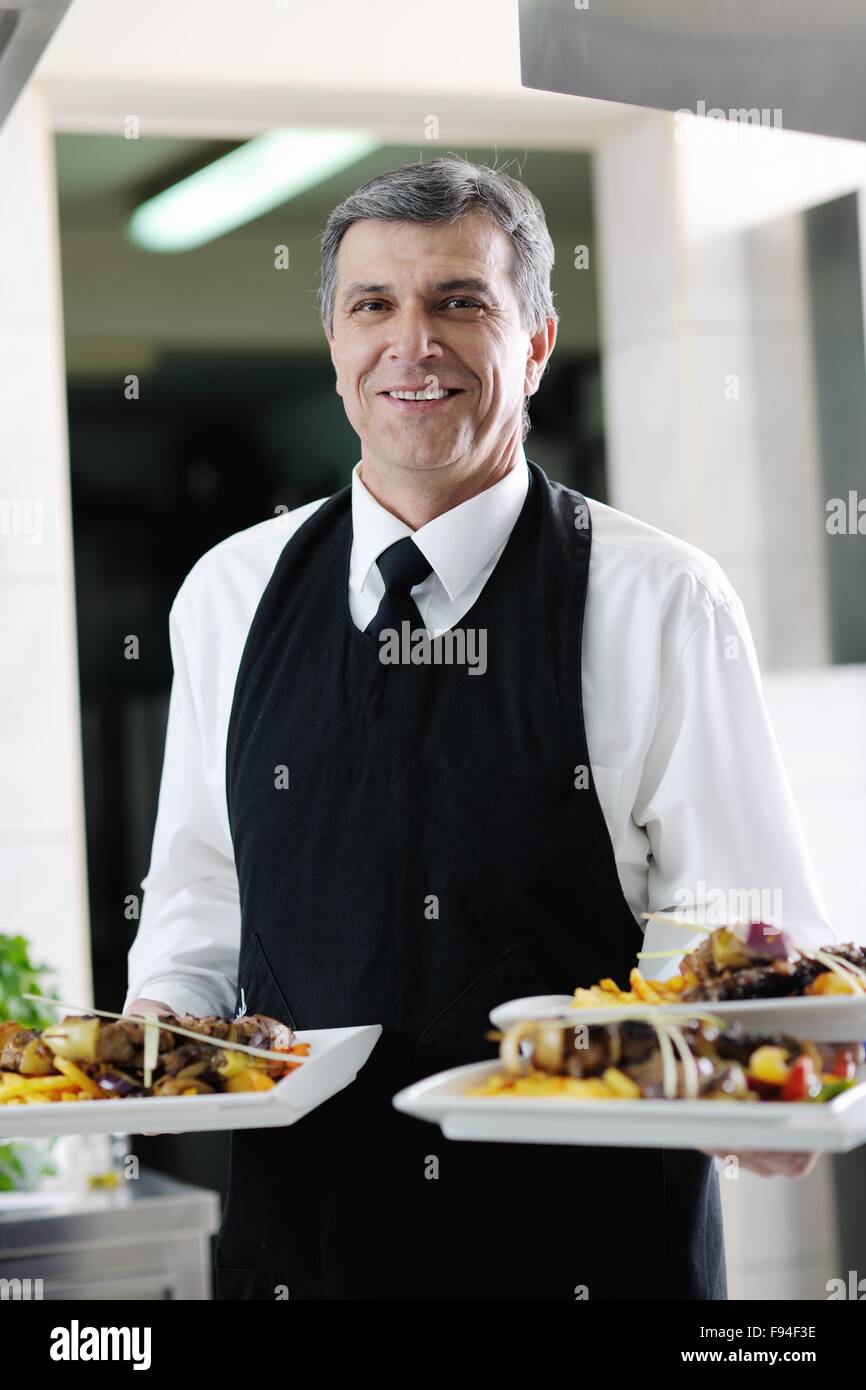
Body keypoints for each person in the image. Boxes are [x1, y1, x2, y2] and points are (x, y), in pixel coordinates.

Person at [126, 157, 833, 1301]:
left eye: (460, 301)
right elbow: (202, 892)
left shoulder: (657, 598)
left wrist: (741, 1078)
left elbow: (739, 927)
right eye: (374, 305)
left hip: (586, 1256)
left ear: (536, 343)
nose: (414, 343)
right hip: (300, 1249)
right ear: (335, 344)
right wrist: (162, 1033)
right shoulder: (229, 591)